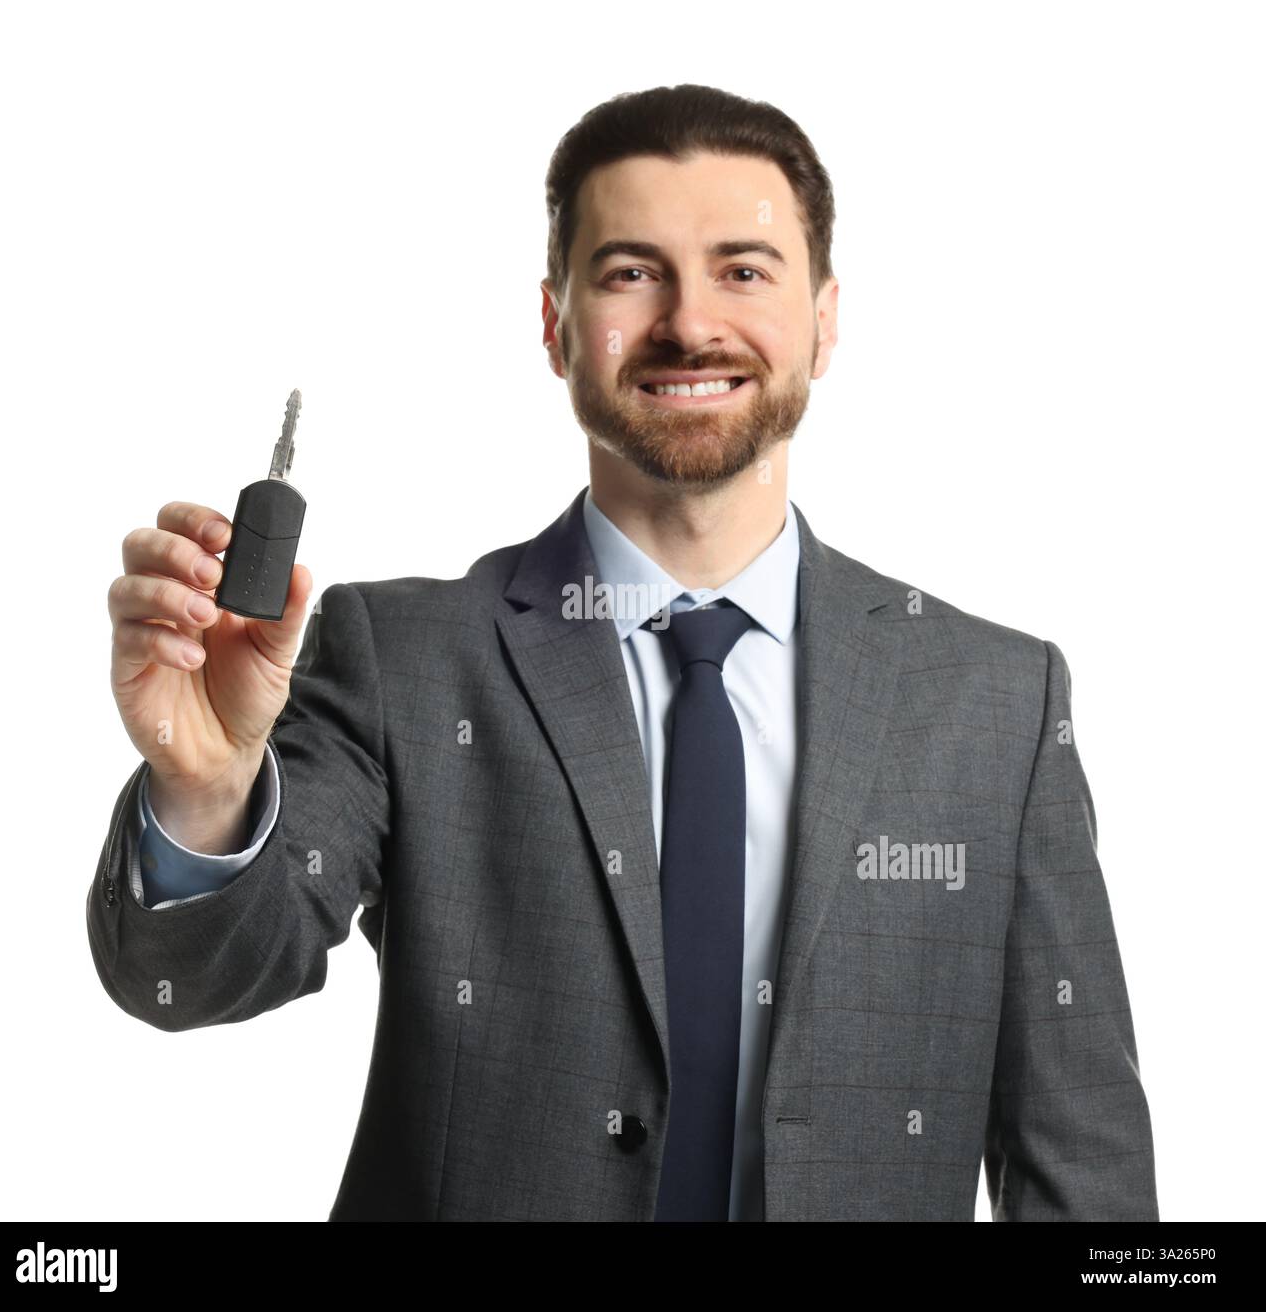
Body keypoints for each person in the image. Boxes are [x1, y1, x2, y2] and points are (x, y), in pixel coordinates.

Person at [91, 83, 1159, 1222]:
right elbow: (197, 975)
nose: (689, 323)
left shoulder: (996, 702)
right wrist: (204, 794)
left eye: (744, 269)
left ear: (825, 319)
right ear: (553, 324)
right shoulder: (405, 658)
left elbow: (1080, 1162)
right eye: (630, 272)